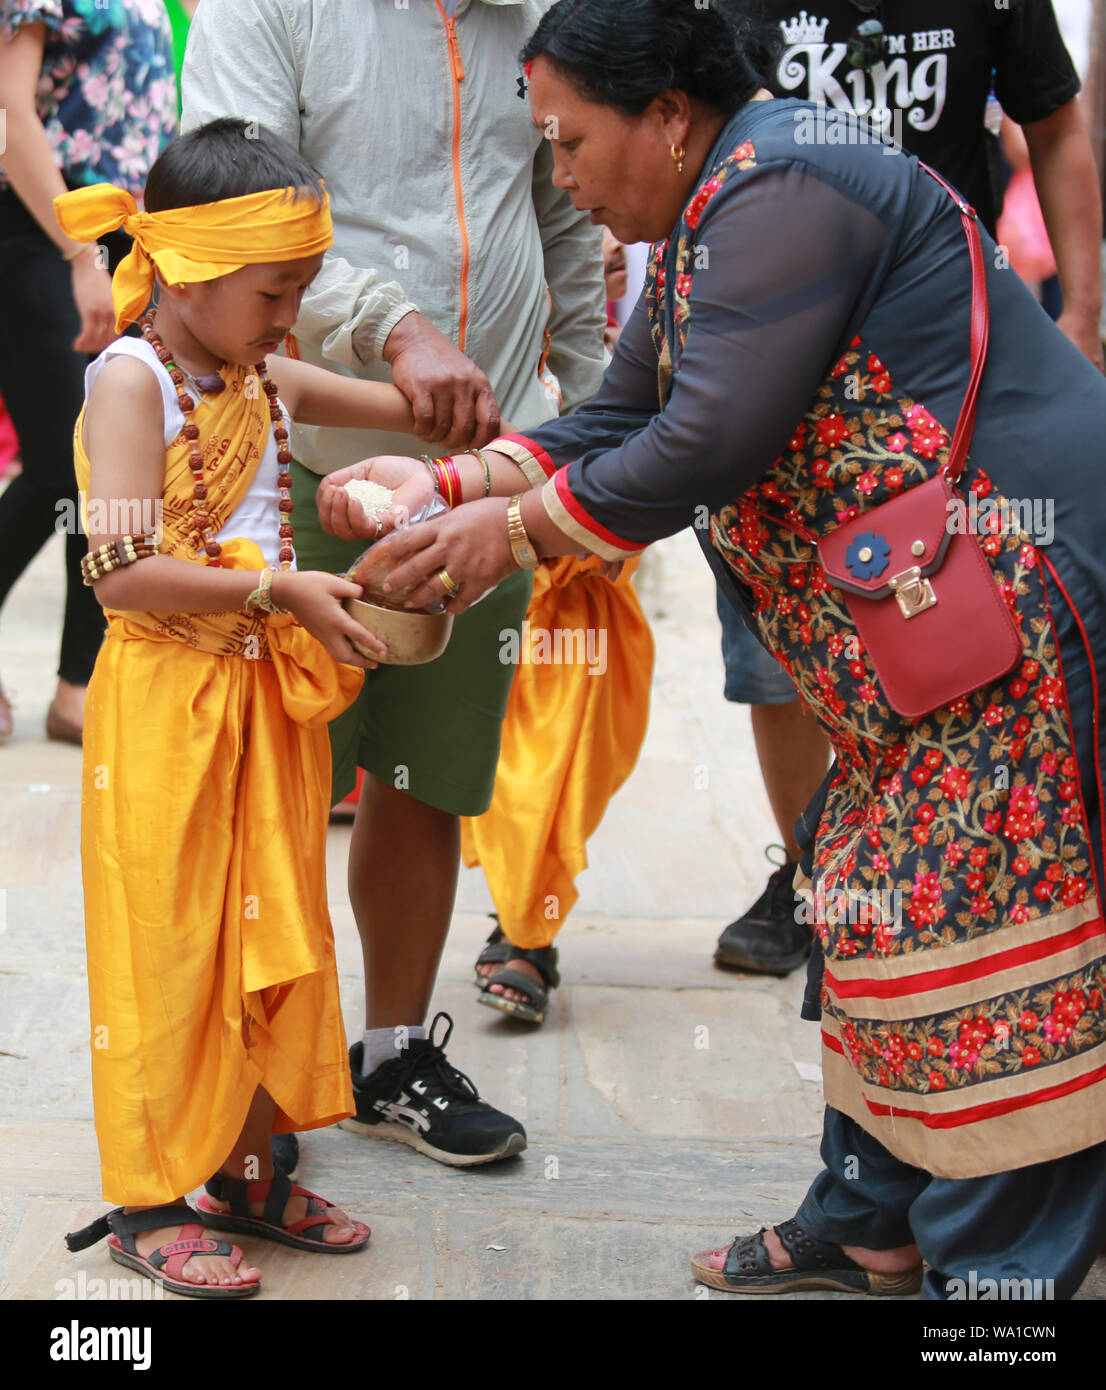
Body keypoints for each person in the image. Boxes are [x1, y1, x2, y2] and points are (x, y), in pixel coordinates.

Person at [337, 0, 1106, 1299]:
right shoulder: (706, 214)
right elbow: (623, 411)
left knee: (986, 919)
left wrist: (503, 534)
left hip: (1013, 592)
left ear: (669, 117)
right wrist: (451, 481)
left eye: (571, 144)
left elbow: (705, 444)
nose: (562, 178)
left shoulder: (788, 181)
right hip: (910, 620)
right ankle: (869, 1212)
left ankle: (998, 1277)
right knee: (862, 896)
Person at [181, 0, 607, 1164]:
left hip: (483, 490)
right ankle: (250, 1074)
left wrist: (594, 392)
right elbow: (229, 219)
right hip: (290, 477)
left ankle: (384, 1057)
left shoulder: (538, 21)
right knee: (268, 789)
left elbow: (562, 214)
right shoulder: (268, 10)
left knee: (424, 777)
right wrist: (395, 328)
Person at [57, 118, 455, 1297]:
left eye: (302, 291)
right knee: (172, 946)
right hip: (166, 709)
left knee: (267, 937)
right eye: (276, 291)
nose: (291, 317)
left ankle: (246, 1162)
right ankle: (146, 1193)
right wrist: (276, 585)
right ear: (185, 269)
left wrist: (450, 431)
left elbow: (369, 400)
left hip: (261, 703)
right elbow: (119, 577)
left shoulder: (250, 370)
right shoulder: (134, 382)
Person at [714, 0, 1105, 979]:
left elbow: (1053, 127)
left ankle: (938, 873)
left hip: (936, 371)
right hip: (777, 368)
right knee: (778, 657)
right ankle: (817, 873)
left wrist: (1082, 317)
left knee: (948, 630)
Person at [0, 0, 177, 743]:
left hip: (127, 234)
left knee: (100, 463)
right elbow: (10, 115)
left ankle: (80, 686)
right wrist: (80, 252)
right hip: (46, 224)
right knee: (52, 461)